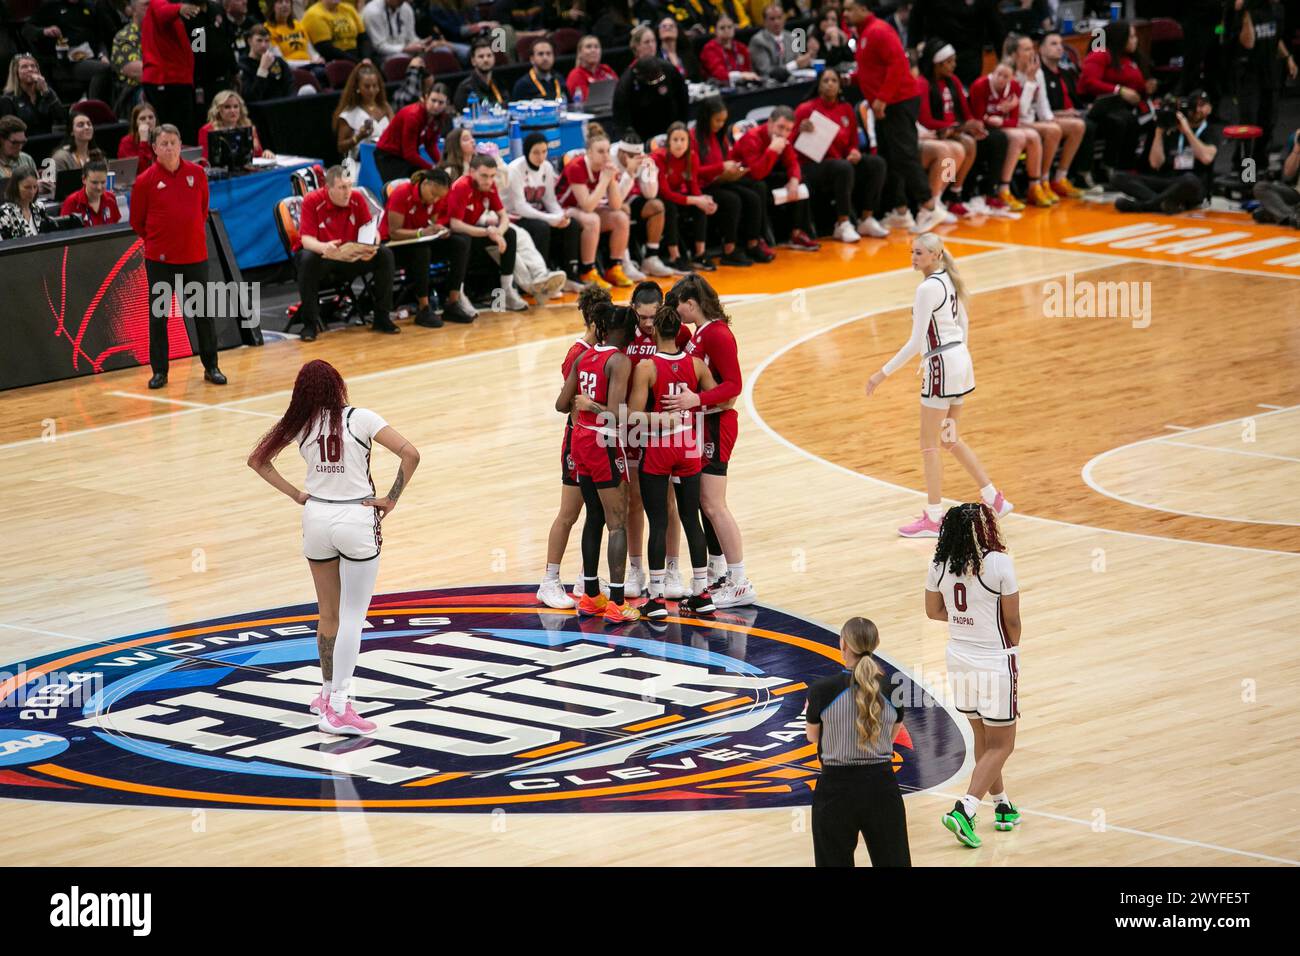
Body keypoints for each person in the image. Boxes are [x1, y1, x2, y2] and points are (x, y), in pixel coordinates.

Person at [247, 359, 422, 736]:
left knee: (328, 614)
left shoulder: (299, 424)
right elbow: (411, 454)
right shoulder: (361, 418)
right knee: (353, 617)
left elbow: (257, 461)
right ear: (338, 385)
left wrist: (297, 494)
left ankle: (325, 694)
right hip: (355, 518)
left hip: (316, 518)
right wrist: (391, 499)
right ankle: (339, 707)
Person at [865, 233, 1012, 537]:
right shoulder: (949, 279)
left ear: (934, 255)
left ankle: (934, 518)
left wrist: (881, 374)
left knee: (929, 444)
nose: (913, 257)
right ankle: (993, 498)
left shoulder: (927, 288)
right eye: (912, 252)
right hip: (959, 362)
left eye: (919, 253)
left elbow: (916, 342)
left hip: (943, 366)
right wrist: (960, 357)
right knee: (949, 438)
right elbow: (965, 324)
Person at [927, 503, 1022, 848]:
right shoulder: (998, 563)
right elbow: (1012, 620)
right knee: (1003, 743)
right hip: (994, 658)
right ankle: (965, 810)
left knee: (983, 736)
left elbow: (933, 610)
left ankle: (1002, 806)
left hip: (958, 656)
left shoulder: (939, 563)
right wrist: (1010, 645)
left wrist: (963, 622)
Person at [662, 273, 755, 608]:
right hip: (704, 424)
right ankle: (722, 574)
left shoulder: (717, 335)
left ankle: (740, 580)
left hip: (716, 425)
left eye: (679, 306)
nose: (678, 314)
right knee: (705, 502)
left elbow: (734, 386)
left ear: (692, 303)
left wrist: (695, 401)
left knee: (714, 504)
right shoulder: (700, 333)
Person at [626, 304, 723, 619]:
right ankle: (701, 593)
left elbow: (633, 416)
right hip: (689, 446)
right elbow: (720, 397)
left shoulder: (647, 367)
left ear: (654, 331)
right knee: (691, 519)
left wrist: (660, 418)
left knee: (659, 522)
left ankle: (654, 600)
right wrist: (692, 405)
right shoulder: (695, 364)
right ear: (679, 332)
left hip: (660, 448)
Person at [554, 301, 642, 624]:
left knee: (593, 516)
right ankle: (618, 602)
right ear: (628, 332)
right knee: (616, 522)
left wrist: (582, 404)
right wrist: (592, 404)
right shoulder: (619, 361)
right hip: (603, 441)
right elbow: (616, 414)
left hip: (578, 440)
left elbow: (561, 404)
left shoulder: (582, 356)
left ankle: (591, 596)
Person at [805, 616, 912, 867]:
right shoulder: (893, 690)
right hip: (882, 788)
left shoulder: (822, 690)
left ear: (843, 644)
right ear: (876, 644)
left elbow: (813, 737)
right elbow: (891, 738)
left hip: (835, 790)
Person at [129, 123, 226, 389]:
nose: (169, 147)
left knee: (203, 314)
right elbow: (137, 221)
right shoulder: (145, 181)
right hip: (160, 261)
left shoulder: (197, 174)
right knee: (158, 317)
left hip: (194, 256)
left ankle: (211, 366)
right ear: (155, 148)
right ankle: (160, 372)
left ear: (181, 144)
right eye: (164, 143)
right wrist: (159, 241)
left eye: (173, 142)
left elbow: (203, 210)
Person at [537, 284, 611, 610]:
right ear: (597, 323)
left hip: (595, 440)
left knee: (598, 512)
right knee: (570, 512)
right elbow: (570, 405)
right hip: (577, 440)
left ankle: (586, 577)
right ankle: (549, 580)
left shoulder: (598, 351)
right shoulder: (579, 354)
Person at [846, 0, 941, 233]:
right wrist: (853, 79)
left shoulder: (879, 30)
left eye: (850, 9)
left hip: (897, 102)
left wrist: (882, 99)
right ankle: (900, 211)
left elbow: (898, 64)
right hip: (887, 103)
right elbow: (872, 68)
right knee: (889, 157)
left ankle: (929, 206)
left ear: (864, 9)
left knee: (905, 155)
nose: (845, 13)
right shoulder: (863, 34)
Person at [294, 164, 400, 340]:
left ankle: (382, 317)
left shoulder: (357, 198)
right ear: (328, 188)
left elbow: (372, 230)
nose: (347, 192)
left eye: (350, 186)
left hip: (349, 256)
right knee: (307, 258)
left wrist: (372, 246)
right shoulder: (312, 201)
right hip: (324, 256)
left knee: (384, 254)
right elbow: (306, 240)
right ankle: (310, 324)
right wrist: (324, 247)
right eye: (342, 187)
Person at [795, 69, 886, 244]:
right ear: (819, 86)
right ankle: (842, 223)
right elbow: (789, 143)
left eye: (834, 81)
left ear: (839, 87)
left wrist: (854, 152)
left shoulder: (846, 109)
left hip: (840, 163)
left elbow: (852, 141)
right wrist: (800, 132)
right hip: (812, 166)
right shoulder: (805, 109)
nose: (830, 84)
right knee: (842, 167)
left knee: (876, 163)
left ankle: (866, 219)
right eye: (826, 80)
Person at [917, 39, 996, 219]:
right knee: (955, 149)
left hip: (951, 131)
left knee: (969, 142)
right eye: (950, 61)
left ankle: (954, 193)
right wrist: (956, 127)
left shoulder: (953, 81)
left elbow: (966, 114)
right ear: (937, 63)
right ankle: (936, 199)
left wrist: (973, 125)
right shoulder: (922, 83)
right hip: (932, 133)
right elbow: (925, 120)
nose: (954, 65)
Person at [656, 120, 750, 269]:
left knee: (700, 207)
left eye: (683, 140)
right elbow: (665, 193)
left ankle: (700, 254)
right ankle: (675, 257)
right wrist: (696, 199)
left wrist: (704, 200)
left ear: (688, 142)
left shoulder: (691, 157)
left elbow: (693, 186)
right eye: (675, 140)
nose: (679, 144)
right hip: (662, 198)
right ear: (668, 142)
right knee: (671, 208)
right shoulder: (659, 158)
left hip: (679, 196)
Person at [1112, 90, 1218, 215]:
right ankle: (1163, 204)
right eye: (1195, 105)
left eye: (1202, 105)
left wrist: (1187, 131)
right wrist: (1159, 131)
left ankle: (1144, 206)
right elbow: (1155, 163)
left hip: (1193, 186)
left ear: (1210, 109)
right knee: (1118, 177)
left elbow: (1206, 158)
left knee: (1189, 179)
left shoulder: (1210, 130)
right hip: (1169, 181)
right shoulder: (1172, 127)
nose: (1198, 109)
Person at [694, 95, 773, 263]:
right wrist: (721, 168)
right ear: (706, 118)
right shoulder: (694, 137)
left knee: (754, 195)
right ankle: (729, 250)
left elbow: (727, 159)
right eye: (717, 120)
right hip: (702, 186)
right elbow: (695, 171)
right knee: (732, 200)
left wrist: (736, 169)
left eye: (723, 121)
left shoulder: (719, 136)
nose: (721, 124)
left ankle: (753, 243)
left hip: (721, 181)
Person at [447, 152, 530, 312]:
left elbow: (504, 217)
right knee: (463, 240)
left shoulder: (490, 186)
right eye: (484, 176)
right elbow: (455, 224)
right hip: (452, 235)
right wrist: (488, 232)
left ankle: (507, 291)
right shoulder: (462, 186)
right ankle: (459, 294)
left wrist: (498, 232)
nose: (489, 181)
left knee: (510, 234)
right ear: (471, 172)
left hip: (473, 232)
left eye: (492, 176)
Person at [729, 106, 819, 250]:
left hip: (764, 174)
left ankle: (796, 233)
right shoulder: (751, 137)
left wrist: (794, 180)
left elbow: (793, 162)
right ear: (770, 122)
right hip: (744, 178)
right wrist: (772, 150)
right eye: (780, 127)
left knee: (800, 180)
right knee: (760, 186)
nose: (783, 133)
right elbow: (757, 173)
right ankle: (761, 237)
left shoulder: (782, 138)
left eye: (788, 130)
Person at [1008, 34, 1085, 200]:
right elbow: (1020, 111)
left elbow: (1043, 107)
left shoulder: (1038, 72)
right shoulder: (1009, 74)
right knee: (1053, 131)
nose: (1031, 53)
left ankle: (1059, 179)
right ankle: (1042, 181)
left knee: (1077, 126)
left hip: (1032, 120)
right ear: (1015, 54)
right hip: (1016, 122)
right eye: (1027, 49)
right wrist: (1028, 81)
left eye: (1032, 48)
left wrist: (1050, 118)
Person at [558, 122, 633, 289]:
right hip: (562, 208)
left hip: (585, 208)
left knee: (621, 217)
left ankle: (615, 267)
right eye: (600, 151)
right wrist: (605, 180)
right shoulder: (576, 167)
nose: (606, 156)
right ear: (589, 153)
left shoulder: (605, 168)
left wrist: (611, 179)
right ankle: (588, 271)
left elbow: (615, 205)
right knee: (592, 219)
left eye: (607, 151)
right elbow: (587, 207)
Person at [506, 131, 587, 285]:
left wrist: (560, 216)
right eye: (536, 152)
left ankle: (571, 274)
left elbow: (550, 200)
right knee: (542, 227)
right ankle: (541, 277)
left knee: (572, 224)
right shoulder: (515, 169)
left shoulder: (547, 167)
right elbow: (521, 207)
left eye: (544, 151)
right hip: (514, 216)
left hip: (536, 213)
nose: (541, 156)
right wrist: (550, 218)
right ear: (526, 152)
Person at [970, 60, 1047, 211]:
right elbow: (977, 118)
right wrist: (997, 113)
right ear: (992, 73)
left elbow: (1014, 120)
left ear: (1011, 78)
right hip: (983, 129)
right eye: (998, 74)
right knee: (1018, 137)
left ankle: (1035, 185)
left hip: (1000, 126)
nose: (1001, 79)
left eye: (1006, 76)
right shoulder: (980, 86)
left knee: (1033, 136)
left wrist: (1001, 121)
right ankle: (1003, 188)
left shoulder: (1014, 87)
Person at [379, 166, 450, 327]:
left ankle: (452, 301)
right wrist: (421, 233)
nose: (435, 200)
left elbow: (431, 221)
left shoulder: (436, 199)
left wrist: (439, 229)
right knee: (422, 252)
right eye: (433, 194)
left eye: (440, 197)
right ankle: (424, 308)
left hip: (417, 241)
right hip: (392, 245)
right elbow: (394, 232)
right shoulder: (402, 193)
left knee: (458, 242)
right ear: (425, 183)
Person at [1078, 20, 1150, 178]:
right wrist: (1119, 90)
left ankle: (1135, 167)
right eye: (1131, 37)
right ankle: (1109, 168)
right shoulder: (1101, 54)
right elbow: (1089, 82)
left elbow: (1138, 86)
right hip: (1097, 107)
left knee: (1146, 121)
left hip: (1127, 107)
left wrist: (1148, 88)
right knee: (1121, 120)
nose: (1135, 40)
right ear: (1120, 38)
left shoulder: (1130, 58)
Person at [1232, 0, 1297, 162]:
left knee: (1268, 122)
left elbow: (1276, 37)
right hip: (1249, 74)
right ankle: (1244, 169)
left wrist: (1288, 57)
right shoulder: (1246, 12)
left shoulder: (1278, 9)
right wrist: (1246, 15)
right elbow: (1248, 43)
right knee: (1249, 125)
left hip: (1270, 73)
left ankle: (1259, 162)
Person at [25, 0, 116, 103]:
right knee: (102, 69)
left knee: (112, 69)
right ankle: (94, 108)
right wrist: (44, 31)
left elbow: (100, 37)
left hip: (91, 56)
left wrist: (103, 55)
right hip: (66, 62)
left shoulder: (90, 6)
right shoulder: (51, 6)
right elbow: (27, 29)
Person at [1038, 31, 1094, 187]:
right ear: (1041, 49)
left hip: (1073, 114)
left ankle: (1083, 173)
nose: (1059, 48)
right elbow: (1040, 109)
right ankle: (1075, 175)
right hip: (1051, 118)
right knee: (1085, 126)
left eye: (1061, 44)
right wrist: (1063, 113)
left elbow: (1077, 99)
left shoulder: (1066, 73)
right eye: (1053, 44)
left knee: (1096, 121)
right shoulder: (1039, 74)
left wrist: (1087, 107)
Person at [141, 0, 199, 144]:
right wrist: (179, 9)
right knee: (171, 133)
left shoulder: (203, 12)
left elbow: (199, 42)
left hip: (188, 79)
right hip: (166, 79)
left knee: (188, 130)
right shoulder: (161, 5)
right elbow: (162, 12)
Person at [909, 0, 1002, 86]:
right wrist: (913, 64)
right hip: (937, 57)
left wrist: (1003, 62)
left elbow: (997, 29)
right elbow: (915, 20)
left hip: (970, 58)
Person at [373, 83, 444, 181]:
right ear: (426, 97)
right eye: (433, 100)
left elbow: (430, 145)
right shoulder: (413, 116)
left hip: (405, 155)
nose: (436, 106)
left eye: (441, 102)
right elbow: (409, 153)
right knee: (398, 189)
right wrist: (432, 168)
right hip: (388, 155)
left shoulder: (439, 117)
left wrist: (442, 164)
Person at [332, 61, 394, 172]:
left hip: (387, 161)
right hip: (360, 167)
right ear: (357, 87)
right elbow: (341, 147)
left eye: (375, 86)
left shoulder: (385, 107)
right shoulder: (349, 114)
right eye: (367, 86)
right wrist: (359, 137)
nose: (371, 90)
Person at [613, 55, 688, 145]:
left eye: (659, 79)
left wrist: (682, 122)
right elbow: (620, 114)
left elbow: (683, 97)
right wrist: (629, 132)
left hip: (668, 118)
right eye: (653, 81)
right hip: (641, 124)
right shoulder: (626, 83)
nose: (657, 83)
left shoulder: (669, 69)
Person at [198, 89, 274, 161]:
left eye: (236, 106)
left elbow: (258, 154)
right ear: (218, 110)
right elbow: (205, 162)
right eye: (227, 107)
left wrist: (266, 153)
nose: (232, 110)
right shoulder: (207, 130)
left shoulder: (248, 126)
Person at [0, 54, 66, 137]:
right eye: (24, 67)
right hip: (24, 143)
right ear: (16, 72)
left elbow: (61, 117)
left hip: (48, 139)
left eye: (33, 66)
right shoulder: (8, 98)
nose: (30, 69)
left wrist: (46, 92)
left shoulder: (47, 92)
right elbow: (7, 130)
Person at [749, 3, 818, 78]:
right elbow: (766, 70)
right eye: (772, 19)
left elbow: (799, 59)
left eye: (779, 18)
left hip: (793, 81)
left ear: (784, 19)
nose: (776, 22)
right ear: (764, 22)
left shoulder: (791, 36)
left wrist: (810, 56)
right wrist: (794, 65)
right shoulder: (758, 41)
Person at [1253, 128, 1300, 227]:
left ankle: (1281, 213)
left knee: (1262, 213)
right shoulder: (1296, 137)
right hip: (1296, 194)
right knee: (1261, 187)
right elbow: (1288, 173)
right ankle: (1291, 215)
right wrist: (1297, 149)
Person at [110, 0, 149, 115]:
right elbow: (137, 72)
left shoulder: (161, 34)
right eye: (146, 5)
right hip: (132, 92)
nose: (152, 9)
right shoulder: (125, 36)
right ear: (134, 10)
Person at [239, 24, 295, 101]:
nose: (263, 45)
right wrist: (262, 69)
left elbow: (290, 86)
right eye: (259, 40)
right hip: (261, 108)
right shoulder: (243, 65)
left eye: (267, 41)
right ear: (249, 41)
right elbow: (251, 97)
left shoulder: (278, 61)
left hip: (284, 104)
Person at [700, 12, 758, 85]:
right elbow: (719, 74)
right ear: (715, 31)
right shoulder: (709, 49)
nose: (727, 31)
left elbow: (749, 71)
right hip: (721, 87)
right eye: (722, 28)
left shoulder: (741, 47)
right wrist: (741, 75)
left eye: (730, 27)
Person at [60, 157, 121, 225]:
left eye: (103, 182)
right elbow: (64, 232)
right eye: (94, 183)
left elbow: (116, 229)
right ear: (84, 179)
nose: (99, 187)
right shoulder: (72, 202)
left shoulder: (111, 198)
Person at [453, 36, 506, 111]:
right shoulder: (465, 89)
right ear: (473, 61)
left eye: (489, 55)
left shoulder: (500, 84)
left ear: (494, 58)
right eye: (481, 56)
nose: (486, 60)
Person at [0, 171, 54, 240]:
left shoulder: (39, 207)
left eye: (35, 187)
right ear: (15, 187)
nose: (32, 192)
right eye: (27, 187)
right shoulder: (5, 213)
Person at [511, 36, 566, 101]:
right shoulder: (522, 85)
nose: (545, 58)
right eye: (540, 54)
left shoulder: (559, 79)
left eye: (548, 53)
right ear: (532, 59)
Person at [566, 34, 617, 102]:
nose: (593, 50)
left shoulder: (606, 69)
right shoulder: (576, 75)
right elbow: (585, 102)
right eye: (588, 47)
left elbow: (619, 91)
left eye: (596, 47)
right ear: (580, 52)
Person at [117, 101, 157, 173]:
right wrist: (143, 142)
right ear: (136, 123)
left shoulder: (161, 138)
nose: (148, 121)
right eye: (142, 118)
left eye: (151, 117)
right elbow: (139, 170)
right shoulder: (126, 142)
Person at [0, 117, 39, 187]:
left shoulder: (26, 159)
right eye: (15, 143)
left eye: (23, 142)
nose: (20, 147)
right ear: (1, 140)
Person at [657, 16, 698, 81]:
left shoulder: (688, 55)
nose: (668, 28)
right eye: (664, 26)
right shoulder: (655, 56)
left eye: (671, 26)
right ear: (658, 32)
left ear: (678, 31)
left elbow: (697, 78)